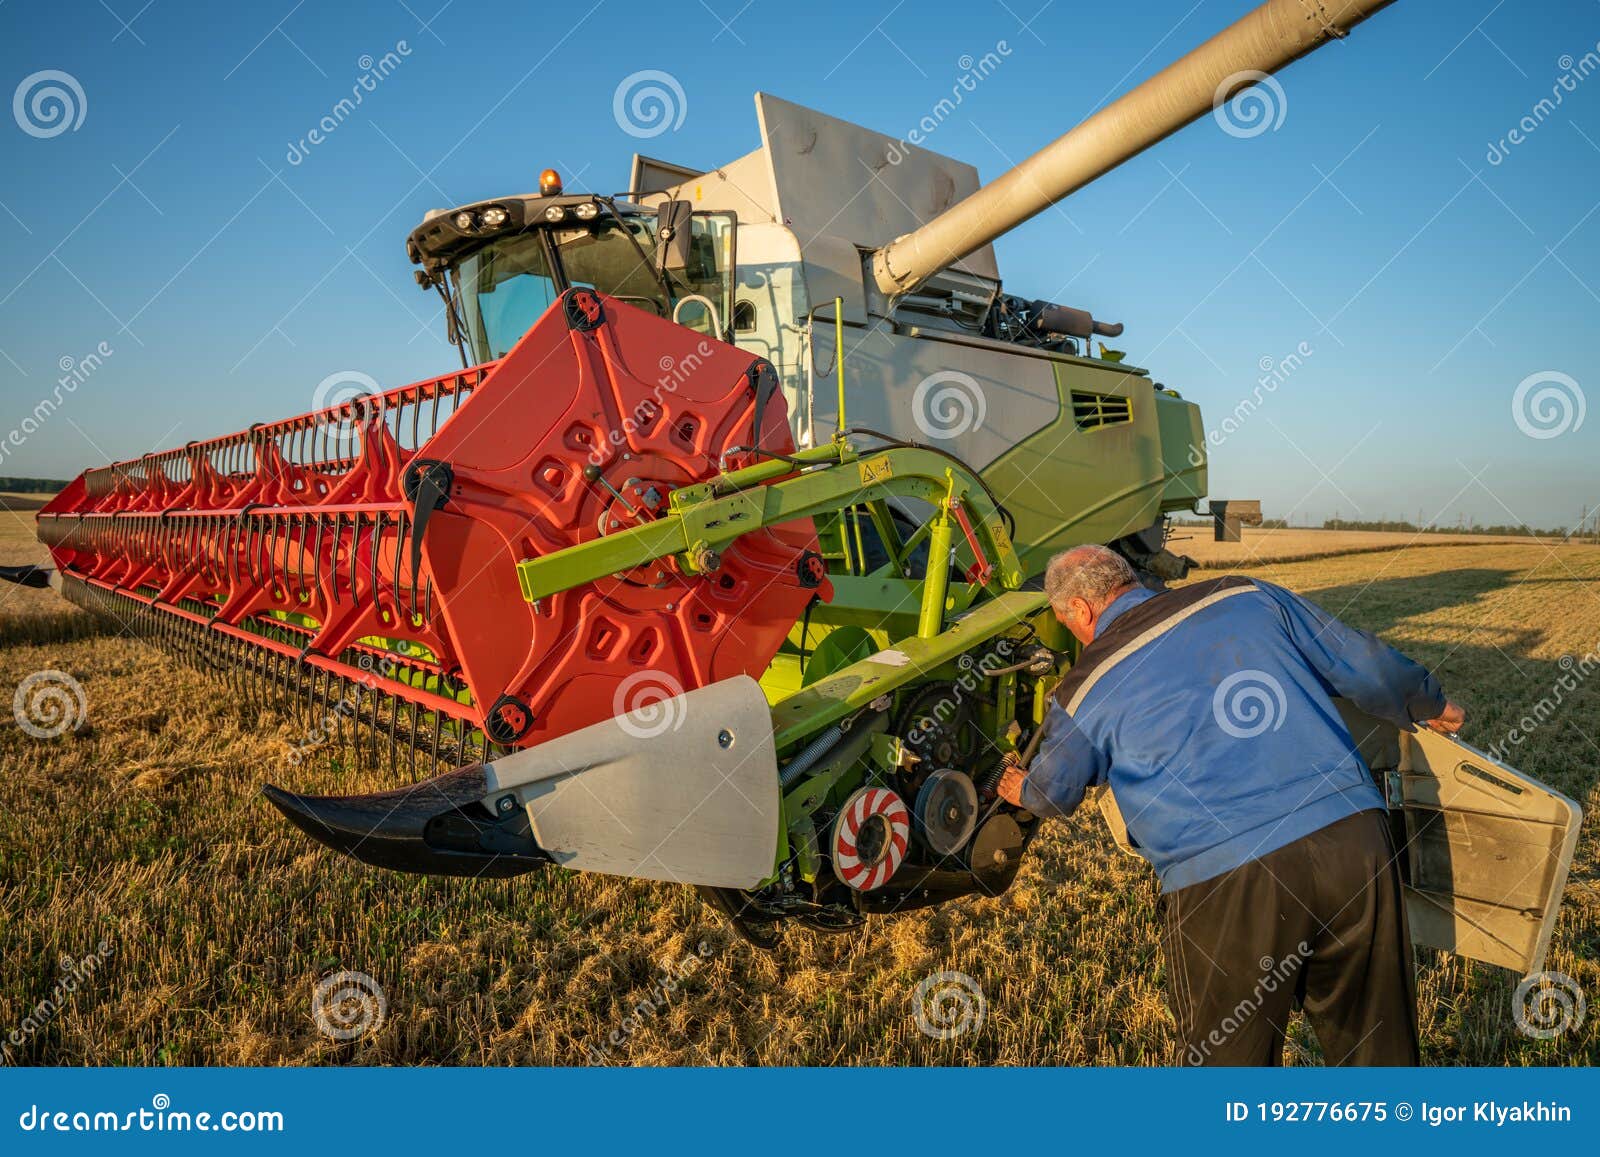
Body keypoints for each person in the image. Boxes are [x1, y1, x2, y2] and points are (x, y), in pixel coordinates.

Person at [997, 545, 1464, 1066]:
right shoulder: (1245, 594)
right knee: (1378, 1051)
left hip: (1225, 880)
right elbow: (1359, 663)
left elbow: (1056, 791)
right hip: (1350, 839)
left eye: (1068, 623)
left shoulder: (1085, 686)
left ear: (1080, 612)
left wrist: (1023, 789)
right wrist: (1428, 699)